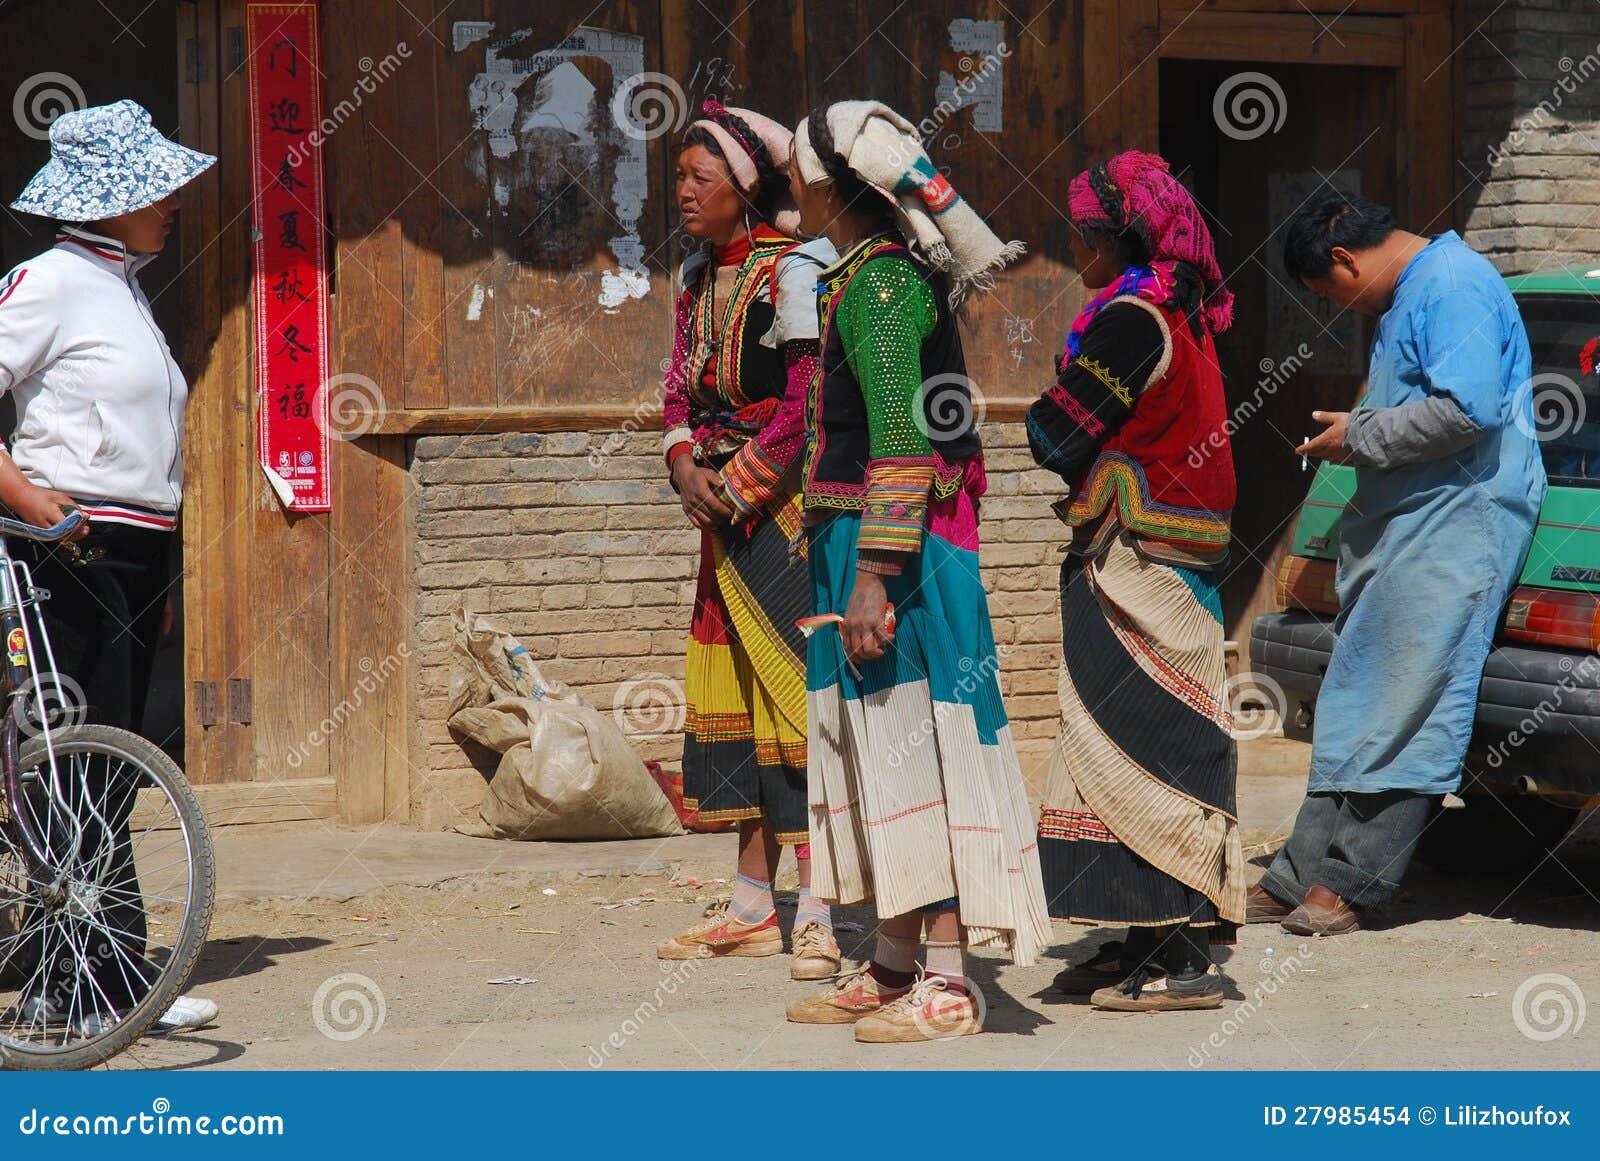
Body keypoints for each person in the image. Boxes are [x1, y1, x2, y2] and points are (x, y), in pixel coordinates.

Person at [782, 101, 1051, 1044]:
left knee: (913, 747)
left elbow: (899, 439)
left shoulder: (884, 289)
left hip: (896, 555)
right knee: (874, 743)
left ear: (825, 184)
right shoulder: (859, 278)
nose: (788, 186)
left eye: (795, 170)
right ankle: (895, 958)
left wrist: (874, 579)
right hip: (862, 546)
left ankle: (948, 978)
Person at [1250, 194, 1545, 935]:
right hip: (1410, 525)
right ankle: (1299, 873)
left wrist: (1361, 435)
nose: (1337, 304)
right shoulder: (1416, 289)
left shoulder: (1453, 282)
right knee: (1359, 698)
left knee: (1412, 700)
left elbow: (1465, 411)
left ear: (1347, 259)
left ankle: (1351, 882)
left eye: (1328, 291)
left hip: (1457, 520)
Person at [0, 99, 220, 1032]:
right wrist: (21, 496)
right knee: (66, 761)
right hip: (63, 548)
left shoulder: (122, 286)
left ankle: (111, 971)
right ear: (106, 199)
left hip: (134, 554)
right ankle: (65, 981)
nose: (172, 203)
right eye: (154, 189)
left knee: (114, 765)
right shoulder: (46, 281)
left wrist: (160, 571)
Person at [1027, 150, 1243, 1012]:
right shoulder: (1174, 314)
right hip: (1153, 555)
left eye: (1083, 231)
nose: (1074, 244)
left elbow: (1056, 434)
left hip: (1137, 562)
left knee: (1146, 737)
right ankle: (1137, 931)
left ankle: (1182, 949)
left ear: (1114, 236)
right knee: (1109, 740)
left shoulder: (1131, 321)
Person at [654, 102, 842, 981]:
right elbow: (676, 392)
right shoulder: (699, 280)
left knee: (797, 703)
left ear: (745, 187)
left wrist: (740, 484)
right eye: (680, 178)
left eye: (700, 178)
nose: (683, 192)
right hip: (718, 518)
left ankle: (823, 908)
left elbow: (809, 398)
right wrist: (684, 460)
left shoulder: (789, 272)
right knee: (739, 698)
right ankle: (752, 905)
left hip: (781, 512)